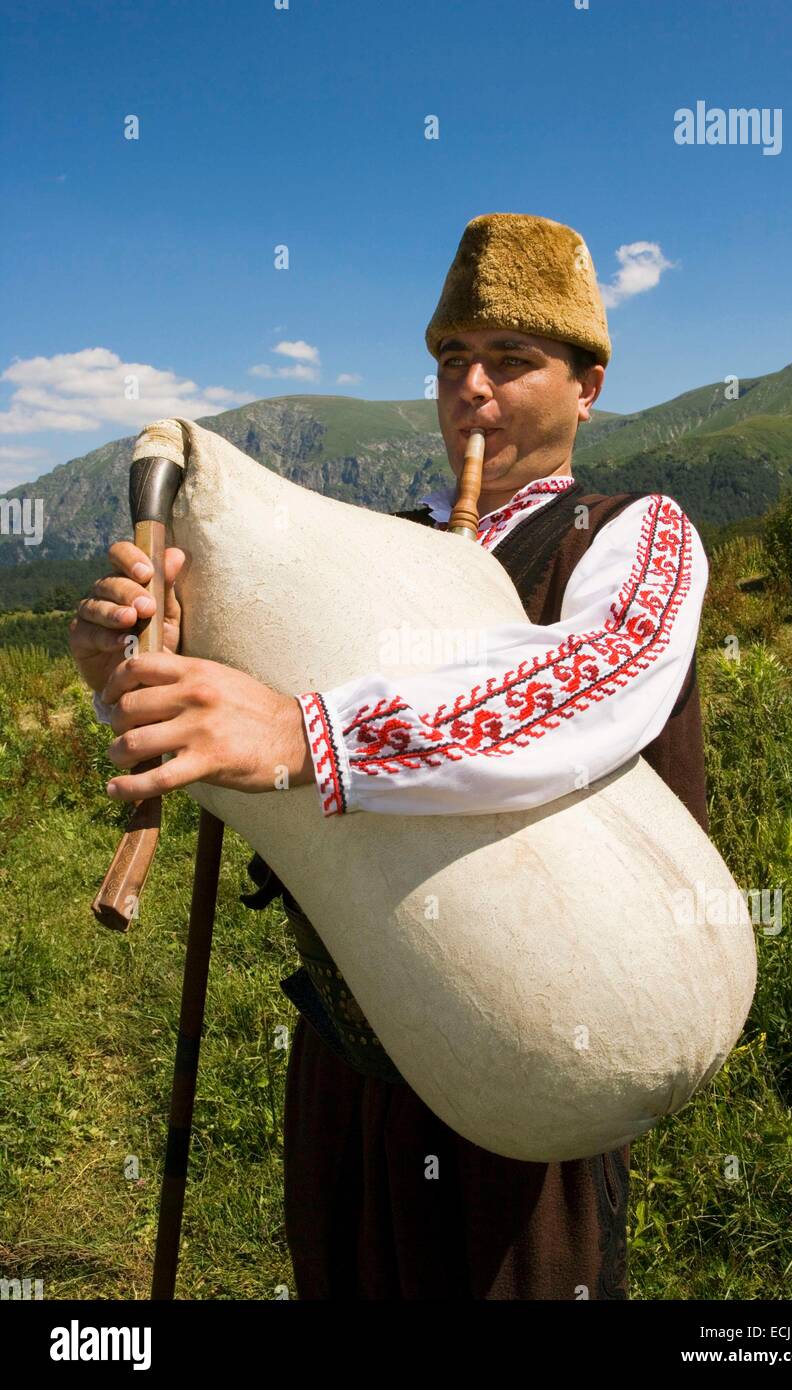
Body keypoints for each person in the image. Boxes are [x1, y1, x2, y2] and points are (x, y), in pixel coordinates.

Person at [69, 212, 710, 1300]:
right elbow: (220, 732)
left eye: (512, 360)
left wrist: (302, 734)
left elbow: (595, 679)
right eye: (452, 361)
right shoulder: (371, 547)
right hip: (351, 1033)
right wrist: (129, 665)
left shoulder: (634, 533)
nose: (472, 390)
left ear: (586, 385)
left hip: (534, 1035)